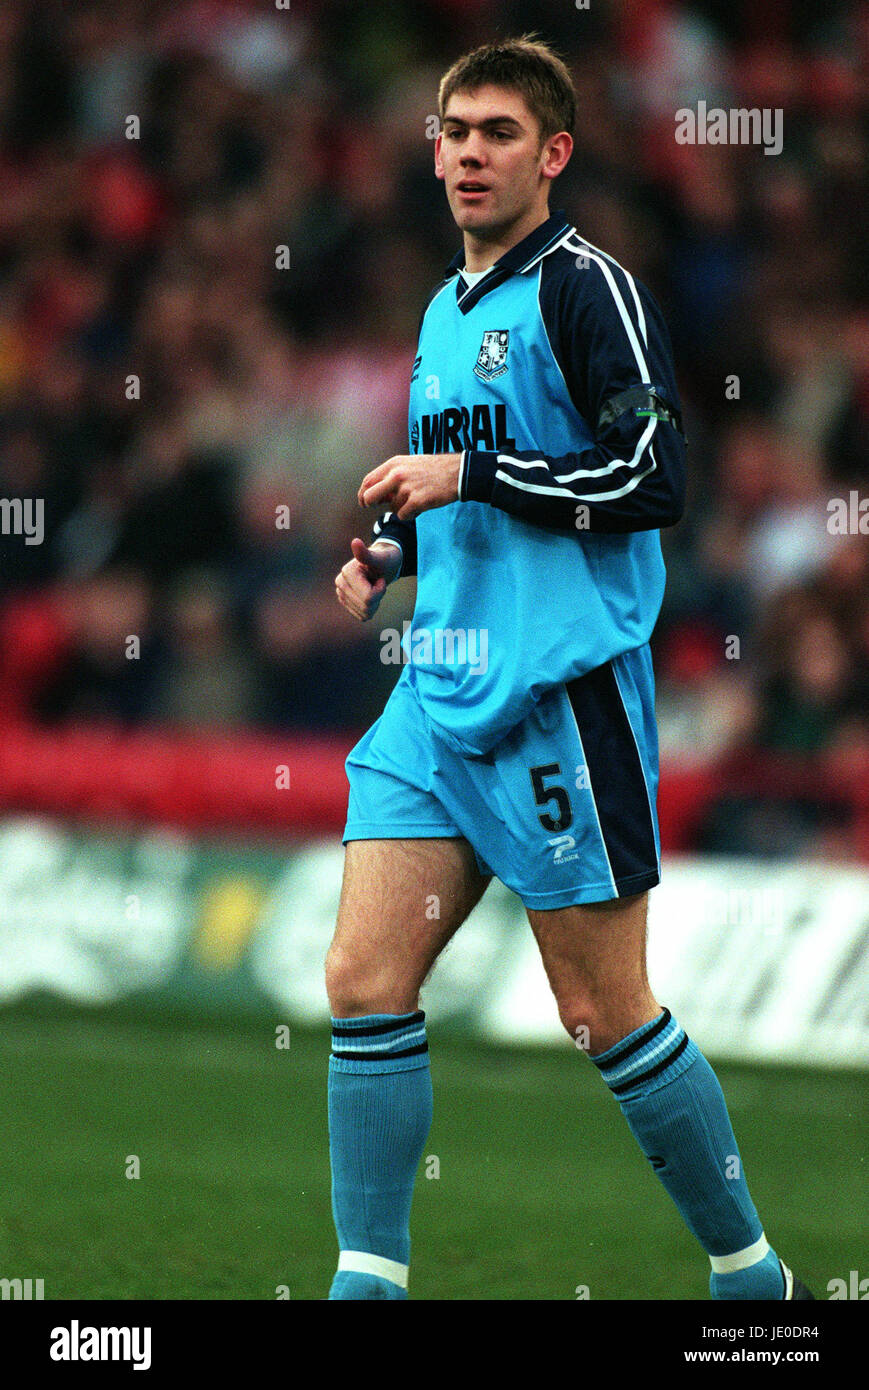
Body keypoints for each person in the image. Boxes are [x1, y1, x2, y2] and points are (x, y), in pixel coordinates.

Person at [328, 35, 812, 1302]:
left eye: (495, 132)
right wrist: (389, 548)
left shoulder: (587, 289)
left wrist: (470, 474)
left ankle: (748, 1273)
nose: (468, 153)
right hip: (435, 690)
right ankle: (366, 1284)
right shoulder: (443, 308)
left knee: (605, 1016)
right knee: (360, 980)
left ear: (552, 154)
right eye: (452, 131)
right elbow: (457, 484)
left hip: (557, 698)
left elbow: (649, 478)